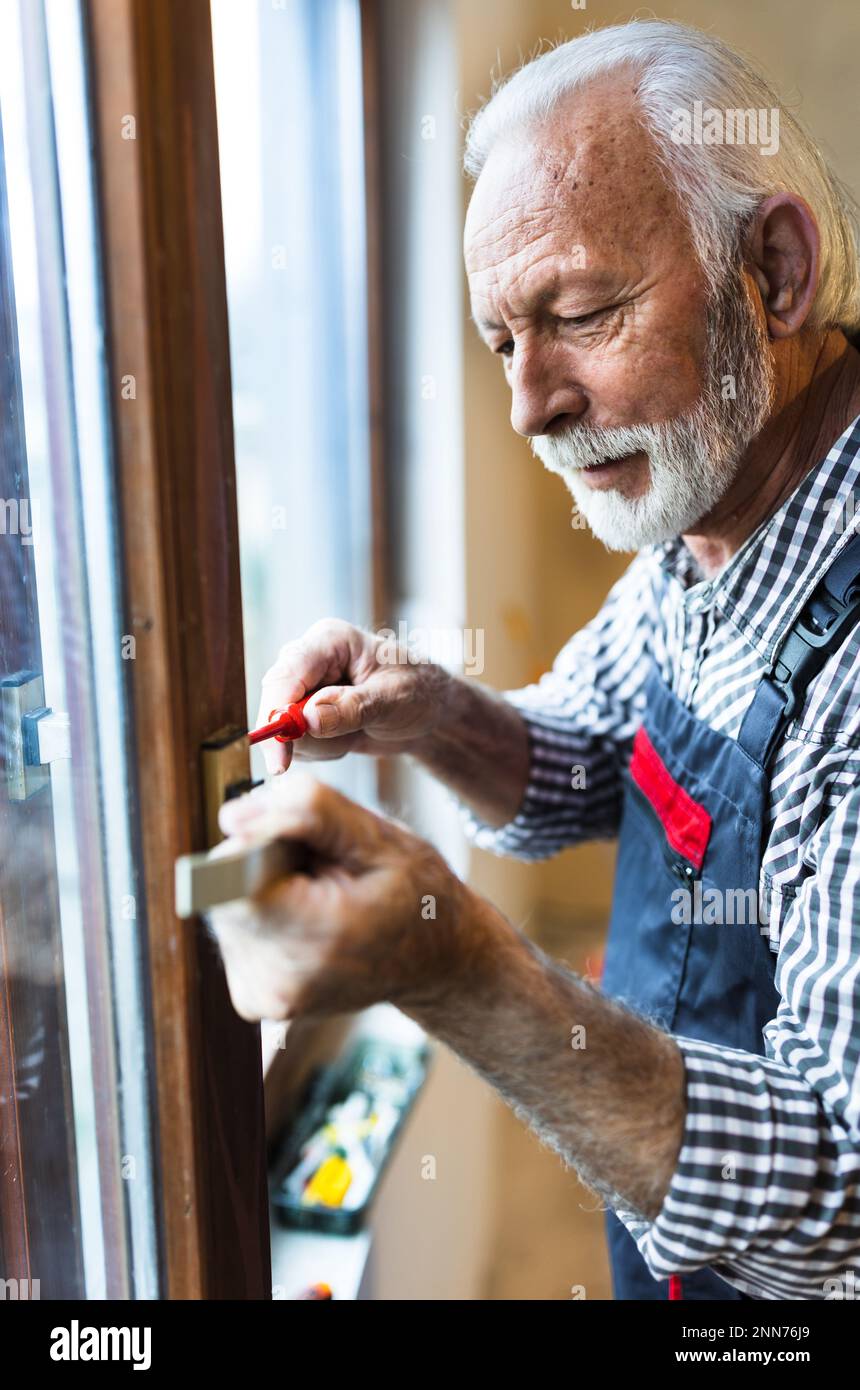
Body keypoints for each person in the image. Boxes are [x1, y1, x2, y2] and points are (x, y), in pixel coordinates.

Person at [209, 21, 860, 1300]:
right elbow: (592, 762)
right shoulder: (717, 504)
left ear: (772, 273)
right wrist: (434, 715)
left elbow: (839, 1190)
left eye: (577, 314)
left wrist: (451, 963)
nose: (529, 405)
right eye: (504, 341)